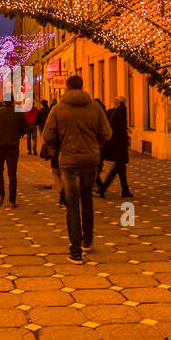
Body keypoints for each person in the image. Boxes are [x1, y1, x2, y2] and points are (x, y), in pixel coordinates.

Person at [41, 75, 111, 263]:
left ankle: (75, 251)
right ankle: (87, 239)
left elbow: (47, 135)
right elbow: (107, 133)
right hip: (90, 160)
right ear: (82, 86)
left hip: (69, 162)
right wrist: (95, 143)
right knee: (87, 198)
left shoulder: (58, 109)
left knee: (72, 203)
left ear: (66, 87)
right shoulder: (95, 107)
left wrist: (59, 145)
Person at [0, 102, 27, 206]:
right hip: (13, 146)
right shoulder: (19, 113)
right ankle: (12, 200)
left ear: (3, 102)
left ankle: (0, 195)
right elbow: (25, 129)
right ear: (13, 102)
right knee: (12, 173)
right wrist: (17, 134)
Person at [97, 96, 132, 198]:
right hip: (119, 146)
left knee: (121, 169)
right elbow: (119, 129)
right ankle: (103, 189)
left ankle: (125, 190)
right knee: (118, 168)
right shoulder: (121, 112)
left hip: (115, 145)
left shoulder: (112, 112)